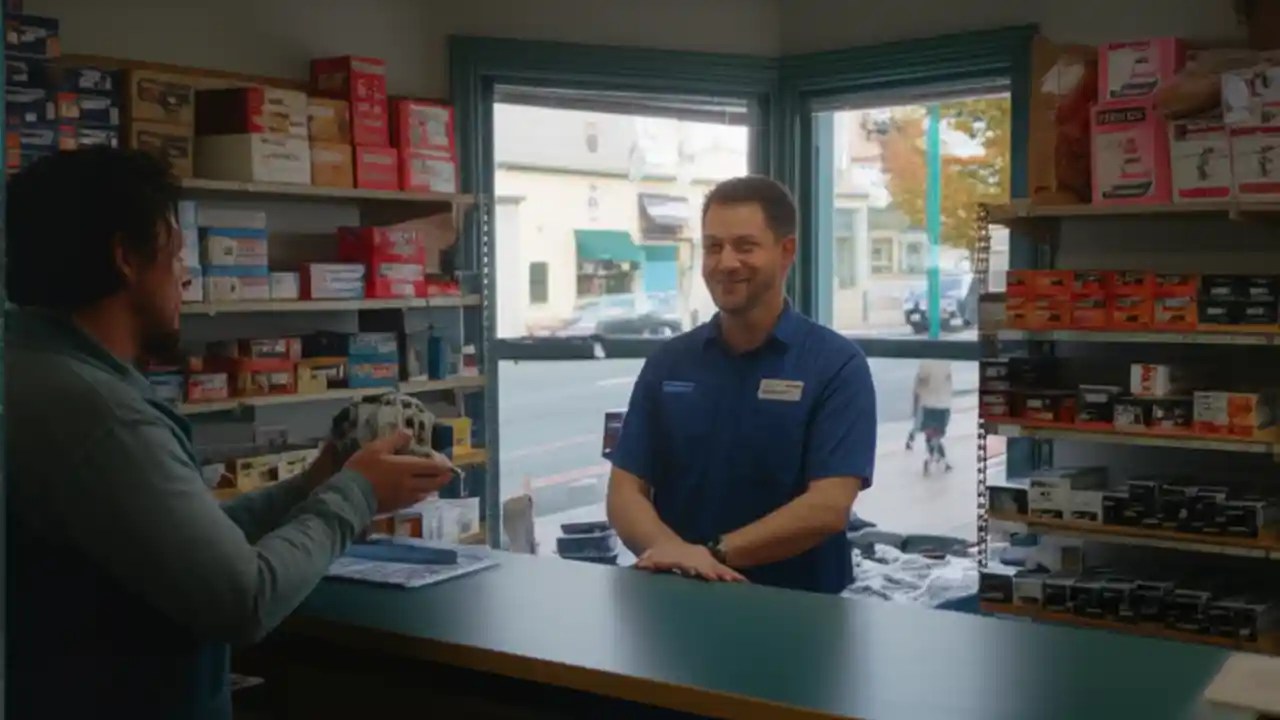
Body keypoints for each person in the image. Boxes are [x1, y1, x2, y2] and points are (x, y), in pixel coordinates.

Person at [5, 148, 456, 719]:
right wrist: (358, 494)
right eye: (174, 255)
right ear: (125, 258)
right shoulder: (98, 415)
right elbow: (245, 599)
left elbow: (184, 547)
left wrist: (312, 485)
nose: (186, 276)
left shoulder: (34, 369)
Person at [605, 175, 876, 594]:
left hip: (797, 617)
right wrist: (673, 552)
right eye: (713, 246)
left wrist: (710, 555)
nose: (726, 262)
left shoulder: (836, 366)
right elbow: (625, 489)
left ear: (786, 252)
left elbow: (828, 506)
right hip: (675, 606)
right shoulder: (669, 363)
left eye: (745, 246)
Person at [913, 359, 954, 472]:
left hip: (928, 404)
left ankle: (932, 458)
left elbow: (919, 385)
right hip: (943, 404)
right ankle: (940, 459)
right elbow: (949, 383)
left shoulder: (924, 363)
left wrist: (915, 408)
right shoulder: (946, 363)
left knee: (930, 435)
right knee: (937, 435)